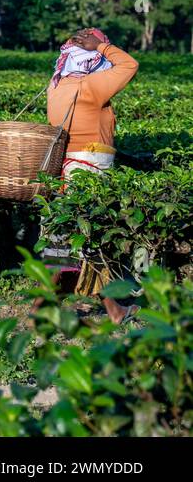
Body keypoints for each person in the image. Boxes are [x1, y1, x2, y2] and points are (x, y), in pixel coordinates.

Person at [38, 27, 139, 325]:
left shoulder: (57, 85)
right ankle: (111, 309)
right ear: (91, 55)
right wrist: (103, 48)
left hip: (69, 167)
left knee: (66, 239)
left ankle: (48, 309)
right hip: (91, 165)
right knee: (87, 239)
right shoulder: (91, 85)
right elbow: (130, 65)